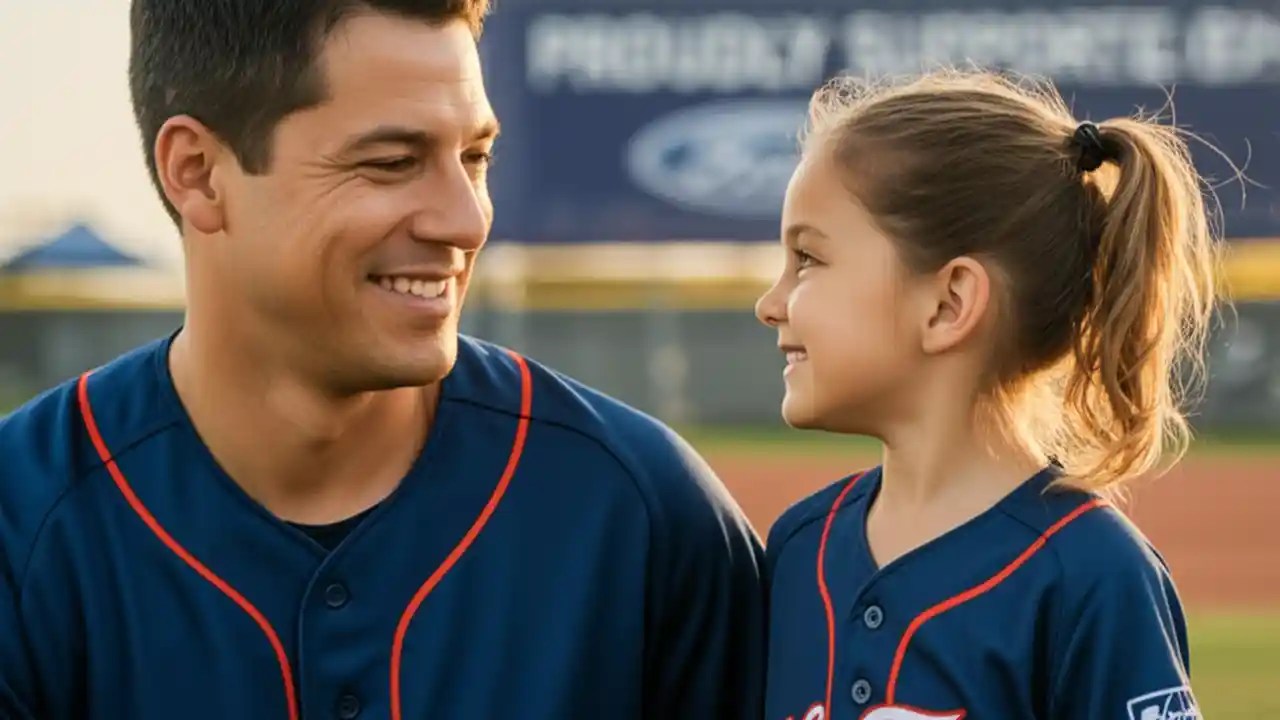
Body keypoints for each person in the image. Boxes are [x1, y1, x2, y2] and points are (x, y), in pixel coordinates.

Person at [0, 2, 767, 718]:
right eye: (393, 161)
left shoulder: (643, 516)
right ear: (198, 172)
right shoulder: (22, 523)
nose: (464, 221)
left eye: (474, 157)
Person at [756, 69, 1218, 720]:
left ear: (948, 303)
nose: (770, 304)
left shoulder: (1092, 576)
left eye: (808, 259)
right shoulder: (799, 548)